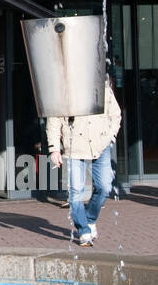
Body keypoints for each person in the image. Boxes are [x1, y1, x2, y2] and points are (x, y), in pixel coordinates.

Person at [47, 78, 122, 246]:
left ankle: (89, 219)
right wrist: (54, 148)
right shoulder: (64, 89)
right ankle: (83, 231)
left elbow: (115, 114)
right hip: (74, 147)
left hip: (100, 145)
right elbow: (54, 120)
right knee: (75, 192)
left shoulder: (101, 88)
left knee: (104, 187)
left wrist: (110, 136)